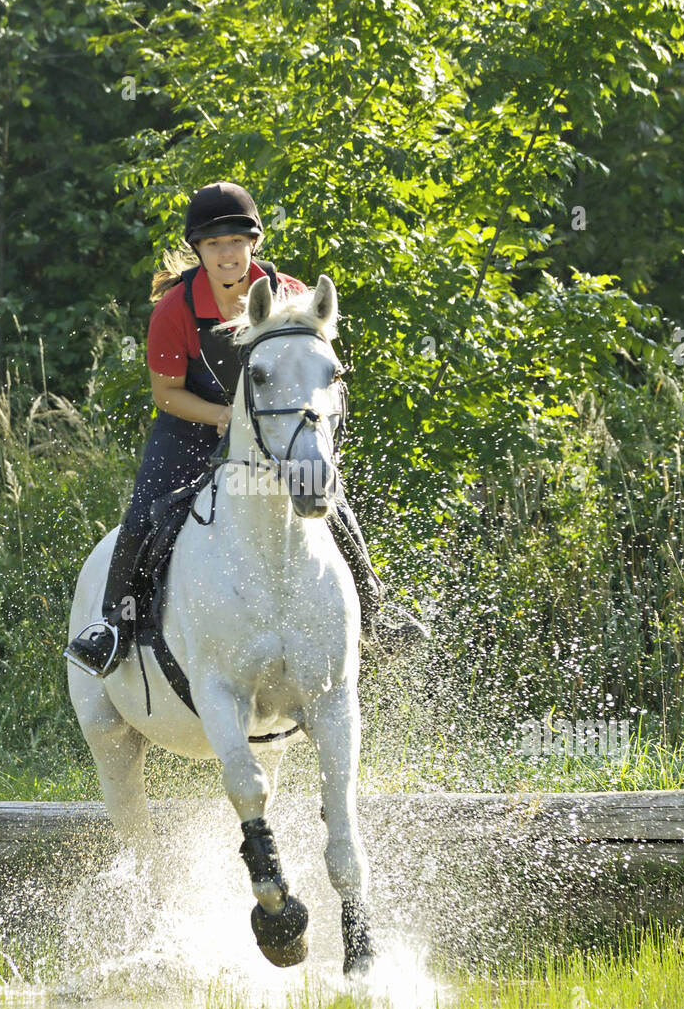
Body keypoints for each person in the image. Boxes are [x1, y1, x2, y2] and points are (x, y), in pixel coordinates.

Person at [64, 181, 427, 677]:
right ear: (198, 249)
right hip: (193, 426)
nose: (227, 253)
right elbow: (167, 393)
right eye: (214, 244)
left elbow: (314, 368)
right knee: (146, 508)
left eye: (236, 241)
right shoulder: (175, 310)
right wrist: (224, 420)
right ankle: (112, 628)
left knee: (330, 499)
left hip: (279, 430)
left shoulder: (292, 295)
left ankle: (376, 615)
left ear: (254, 243)